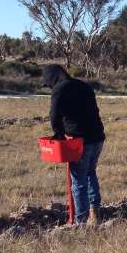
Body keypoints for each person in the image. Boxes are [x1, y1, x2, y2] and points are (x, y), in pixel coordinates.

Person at [42, 64, 106, 225]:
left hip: (79, 140)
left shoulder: (59, 89)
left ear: (52, 78)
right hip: (97, 137)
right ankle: (95, 212)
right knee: (90, 172)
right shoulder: (83, 85)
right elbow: (95, 110)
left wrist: (58, 134)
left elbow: (54, 115)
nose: (49, 86)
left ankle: (80, 221)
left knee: (78, 180)